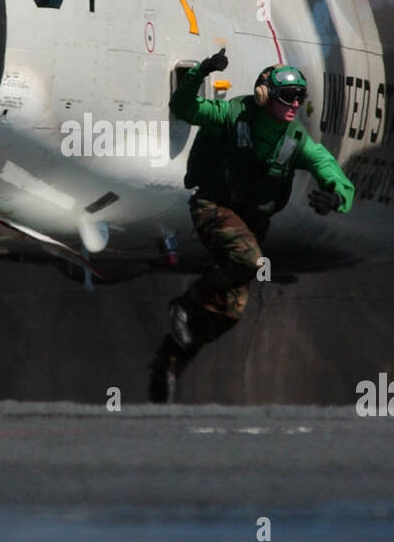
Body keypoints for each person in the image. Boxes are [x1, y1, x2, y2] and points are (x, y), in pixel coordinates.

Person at [149, 47, 355, 402]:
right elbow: (185, 108)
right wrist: (200, 73)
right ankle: (185, 303)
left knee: (227, 310)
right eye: (287, 96)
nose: (294, 104)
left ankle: (168, 364)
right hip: (213, 206)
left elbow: (331, 171)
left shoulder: (295, 142)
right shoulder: (232, 115)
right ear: (264, 97)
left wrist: (336, 197)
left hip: (252, 223)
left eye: (299, 97)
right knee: (247, 260)